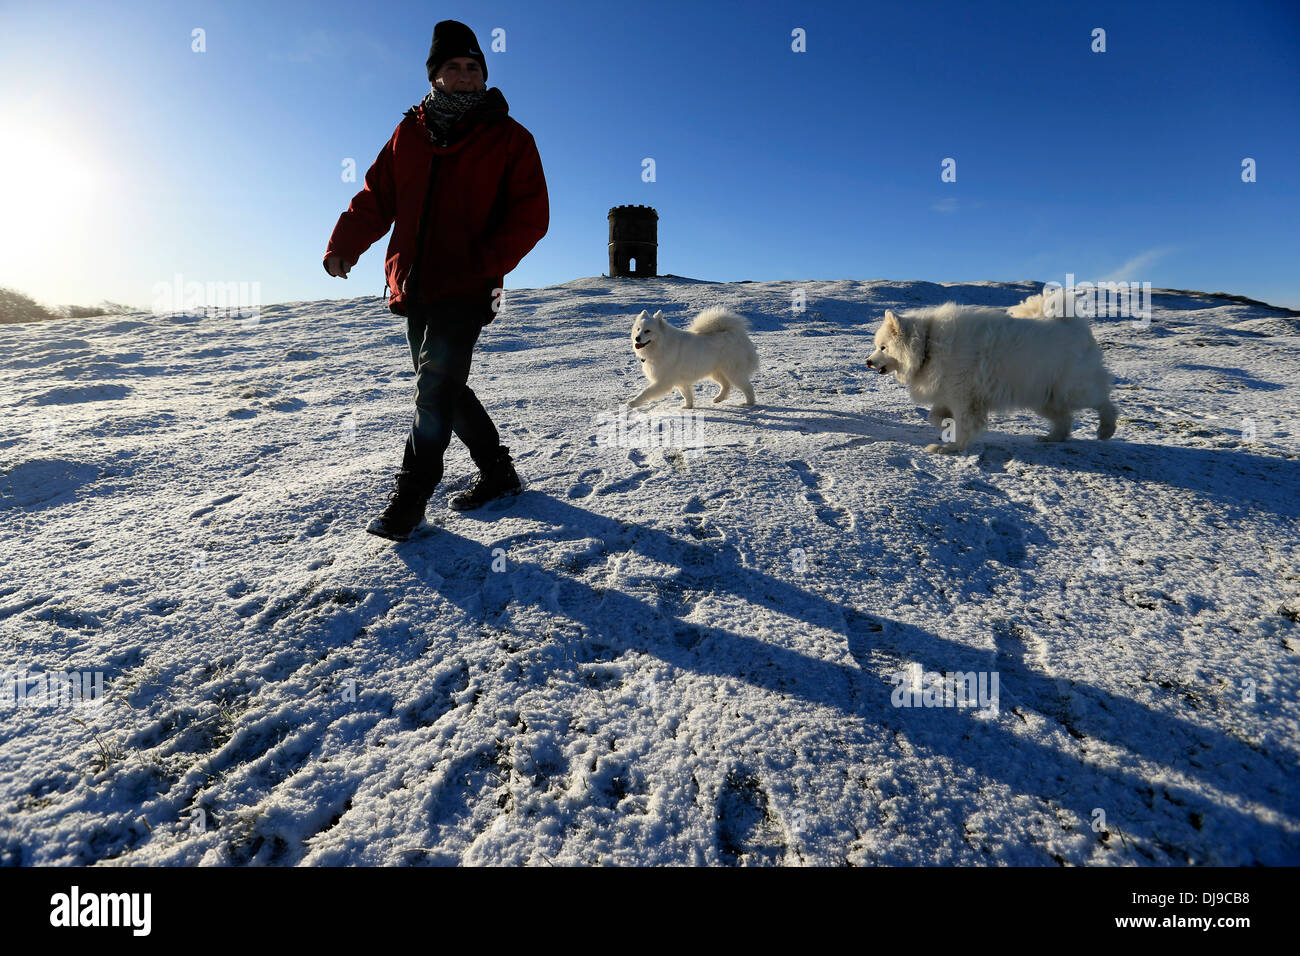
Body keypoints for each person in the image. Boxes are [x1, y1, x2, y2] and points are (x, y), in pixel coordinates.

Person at [323, 20, 549, 540]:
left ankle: (411, 497)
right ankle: (498, 473)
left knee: (433, 390)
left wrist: (485, 259)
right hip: (414, 282)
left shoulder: (511, 138)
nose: (466, 75)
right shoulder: (408, 134)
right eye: (454, 67)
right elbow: (377, 198)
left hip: (469, 285)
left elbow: (531, 213)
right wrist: (343, 247)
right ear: (435, 76)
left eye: (474, 67)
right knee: (445, 387)